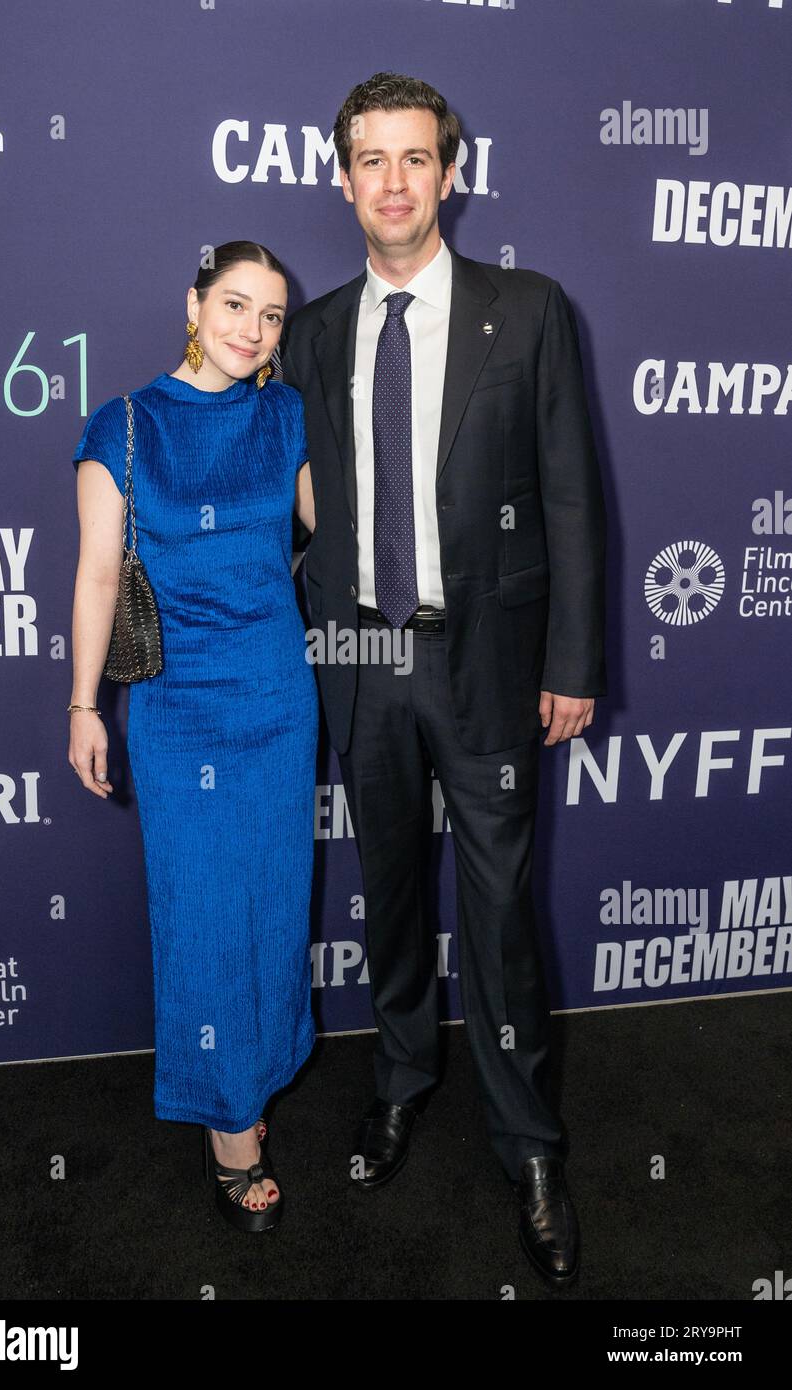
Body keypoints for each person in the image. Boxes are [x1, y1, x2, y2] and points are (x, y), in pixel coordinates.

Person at [279, 74, 607, 1285]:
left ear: (451, 175)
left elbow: (569, 492)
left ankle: (529, 1143)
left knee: (504, 912)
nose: (394, 182)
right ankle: (403, 1079)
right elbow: (295, 497)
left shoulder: (527, 311)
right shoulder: (312, 331)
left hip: (486, 661)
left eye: (416, 159)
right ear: (343, 178)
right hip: (363, 657)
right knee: (390, 893)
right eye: (371, 160)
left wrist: (571, 658)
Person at [68, 241, 318, 1233]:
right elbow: (95, 573)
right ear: (193, 304)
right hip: (176, 706)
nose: (251, 330)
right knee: (202, 911)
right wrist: (84, 705)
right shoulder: (124, 424)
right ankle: (230, 1132)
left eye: (270, 316)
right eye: (234, 304)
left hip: (274, 696)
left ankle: (253, 1078)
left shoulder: (288, 413)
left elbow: (328, 529)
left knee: (267, 906)